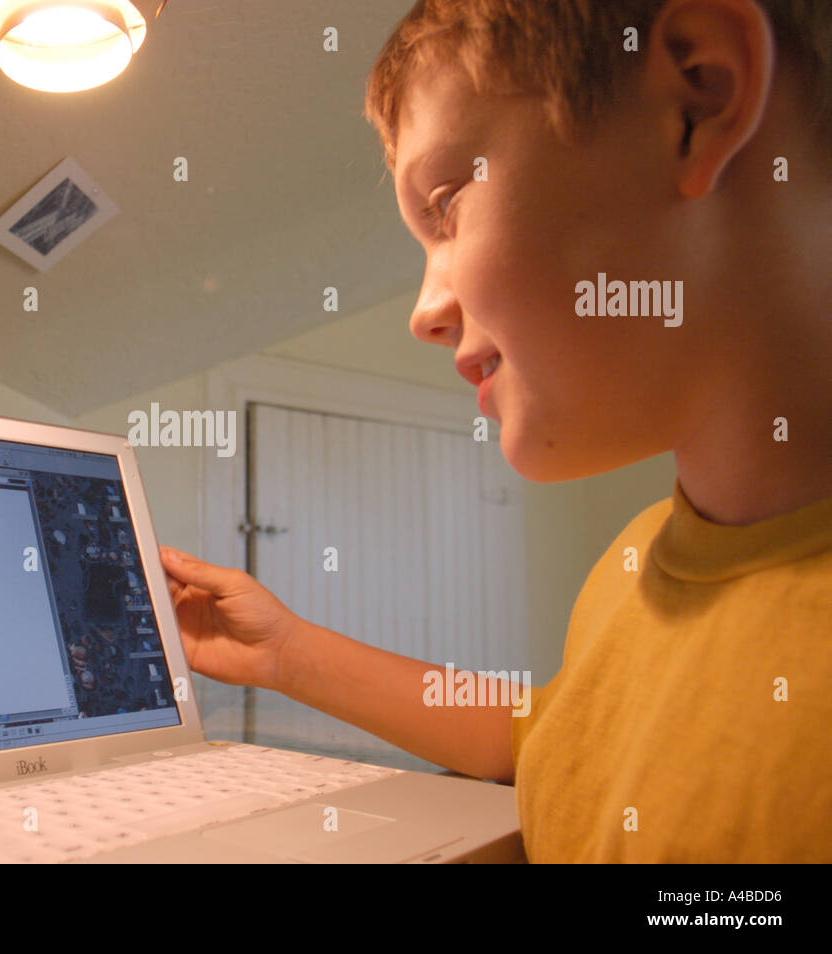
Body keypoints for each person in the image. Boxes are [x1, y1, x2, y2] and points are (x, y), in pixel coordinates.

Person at [160, 0, 831, 863]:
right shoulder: (636, 567)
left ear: (696, 99)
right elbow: (541, 740)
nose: (425, 312)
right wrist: (287, 653)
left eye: (445, 204)